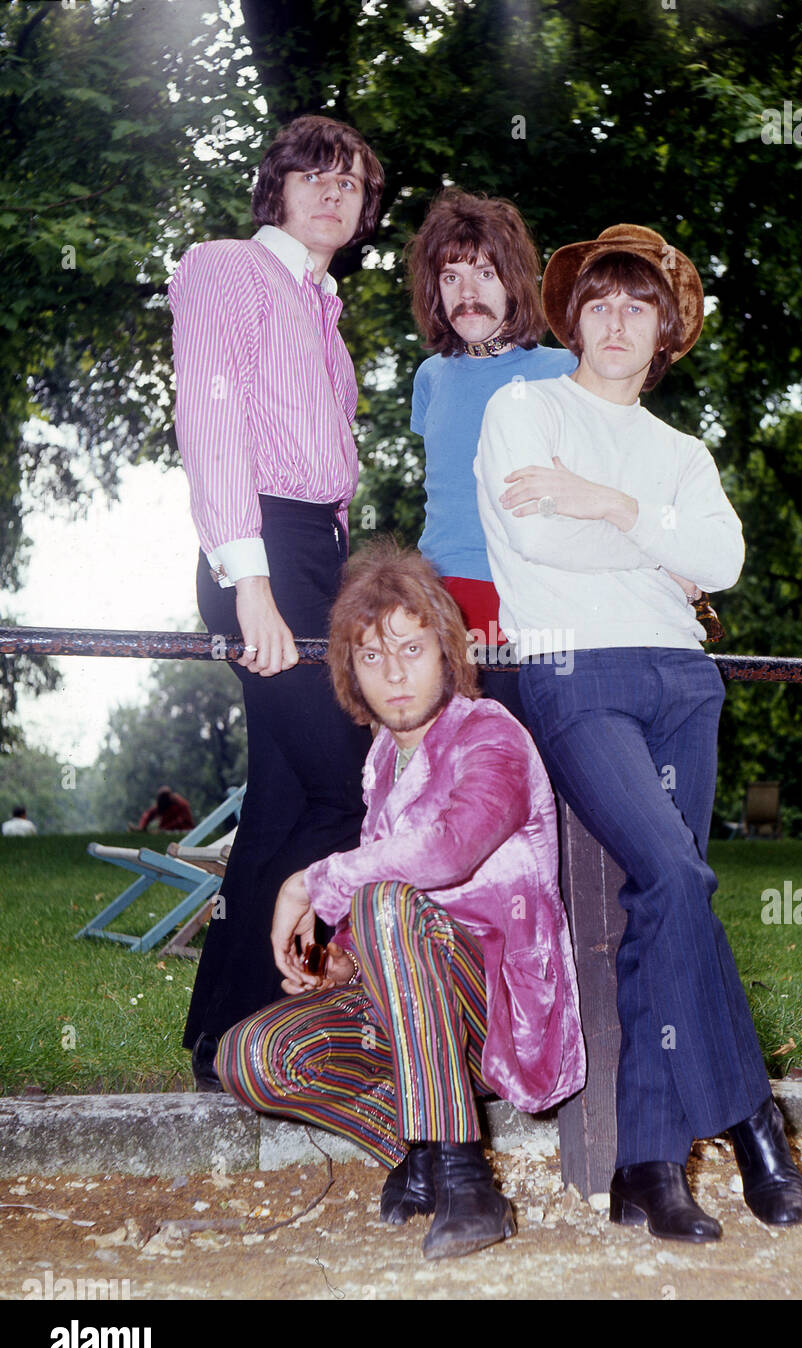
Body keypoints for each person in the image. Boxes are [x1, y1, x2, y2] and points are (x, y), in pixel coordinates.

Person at [475, 224, 802, 1242]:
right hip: (577, 673)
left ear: (665, 330)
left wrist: (607, 502)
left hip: (683, 681)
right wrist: (649, 543)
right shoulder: (523, 406)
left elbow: (721, 561)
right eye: (601, 302)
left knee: (663, 911)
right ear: (573, 315)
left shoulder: (681, 451)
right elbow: (534, 537)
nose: (617, 320)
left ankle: (649, 1170)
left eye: (639, 305)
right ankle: (750, 1113)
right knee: (676, 877)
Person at [216, 540, 584, 1260]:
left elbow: (445, 850)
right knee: (252, 1056)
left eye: (411, 649)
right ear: (349, 671)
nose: (394, 674)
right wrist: (342, 968)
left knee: (385, 900)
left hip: (495, 1001)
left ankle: (465, 1177)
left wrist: (306, 882)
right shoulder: (383, 759)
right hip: (411, 1002)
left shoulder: (490, 733)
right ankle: (419, 1144)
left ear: (447, 650)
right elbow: (382, 904)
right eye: (371, 657)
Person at [168, 115, 385, 1090]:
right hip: (257, 548)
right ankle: (266, 1019)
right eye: (315, 176)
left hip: (317, 559)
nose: (334, 194)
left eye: (352, 185)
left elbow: (331, 483)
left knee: (291, 798)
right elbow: (212, 425)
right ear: (278, 188)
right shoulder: (225, 269)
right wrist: (249, 580)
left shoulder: (326, 313)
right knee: (350, 782)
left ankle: (224, 1038)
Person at [405, 190, 576, 717]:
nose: (466, 292)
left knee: (530, 764)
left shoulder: (565, 371)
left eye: (483, 273)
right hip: (437, 596)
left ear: (513, 281)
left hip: (527, 592)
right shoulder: (430, 376)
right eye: (450, 276)